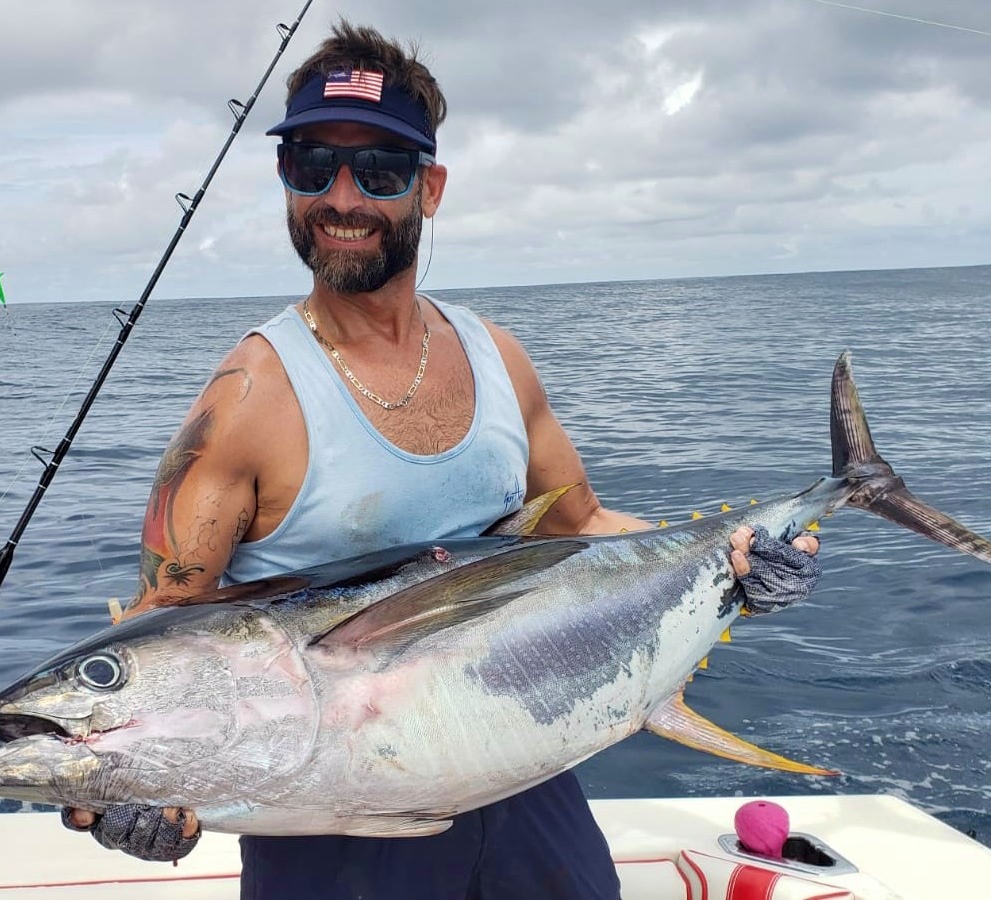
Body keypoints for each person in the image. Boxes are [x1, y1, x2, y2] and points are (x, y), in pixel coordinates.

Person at [63, 21, 821, 899]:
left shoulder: (497, 356)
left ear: (430, 187)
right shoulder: (246, 400)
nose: (340, 198)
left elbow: (584, 527)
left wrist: (740, 565)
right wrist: (116, 786)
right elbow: (164, 627)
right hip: (334, 823)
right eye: (312, 165)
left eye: (378, 171)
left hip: (525, 772)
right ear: (284, 177)